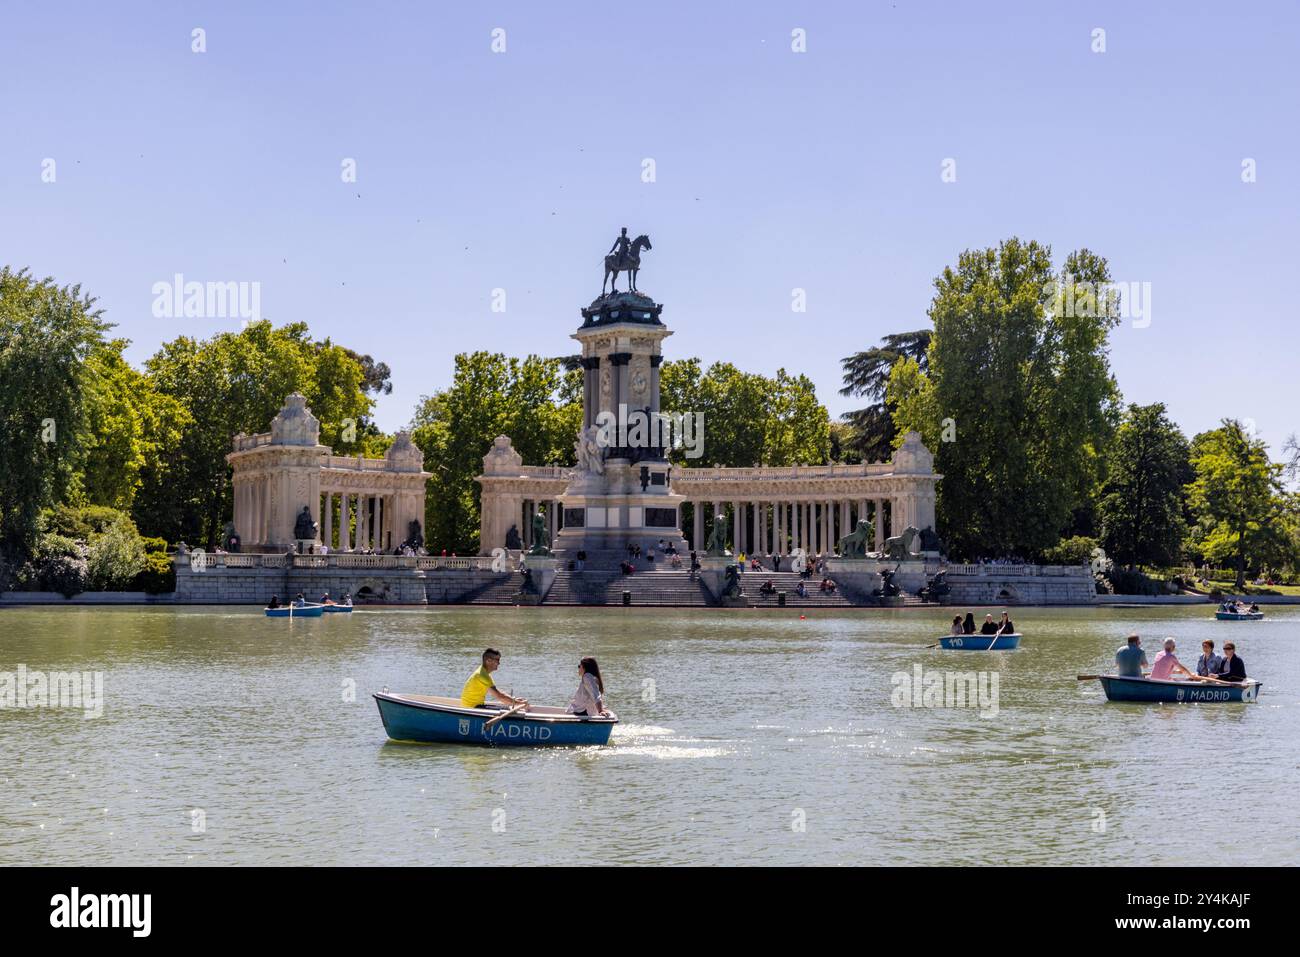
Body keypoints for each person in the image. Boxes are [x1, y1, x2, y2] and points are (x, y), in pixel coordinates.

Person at [461, 649, 527, 710]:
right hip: (472, 708)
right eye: (497, 660)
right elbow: (500, 696)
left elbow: (498, 692)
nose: (499, 663)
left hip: (475, 706)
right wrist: (519, 703)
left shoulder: (484, 673)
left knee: (507, 708)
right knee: (506, 710)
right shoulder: (482, 675)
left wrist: (514, 700)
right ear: (488, 661)